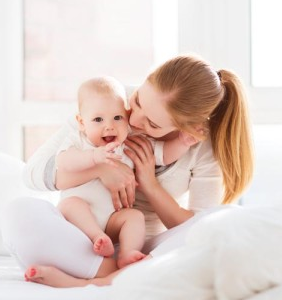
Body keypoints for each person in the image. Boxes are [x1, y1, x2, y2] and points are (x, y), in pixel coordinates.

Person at [1, 54, 254, 288]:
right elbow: (32, 174)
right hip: (81, 237)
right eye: (138, 101)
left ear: (189, 128)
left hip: (144, 248)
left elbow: (200, 227)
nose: (133, 120)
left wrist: (149, 183)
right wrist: (101, 169)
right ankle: (116, 273)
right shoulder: (110, 103)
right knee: (19, 212)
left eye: (152, 124)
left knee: (223, 221)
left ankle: (92, 282)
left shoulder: (201, 147)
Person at [55, 76, 197, 268]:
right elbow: (63, 162)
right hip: (79, 218)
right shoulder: (79, 141)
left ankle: (127, 253)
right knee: (70, 204)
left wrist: (182, 143)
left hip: (112, 219)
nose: (109, 126)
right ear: (81, 122)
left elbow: (163, 154)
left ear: (127, 118)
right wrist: (95, 159)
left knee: (134, 217)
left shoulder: (129, 144)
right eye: (98, 119)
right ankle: (97, 237)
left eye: (117, 117)